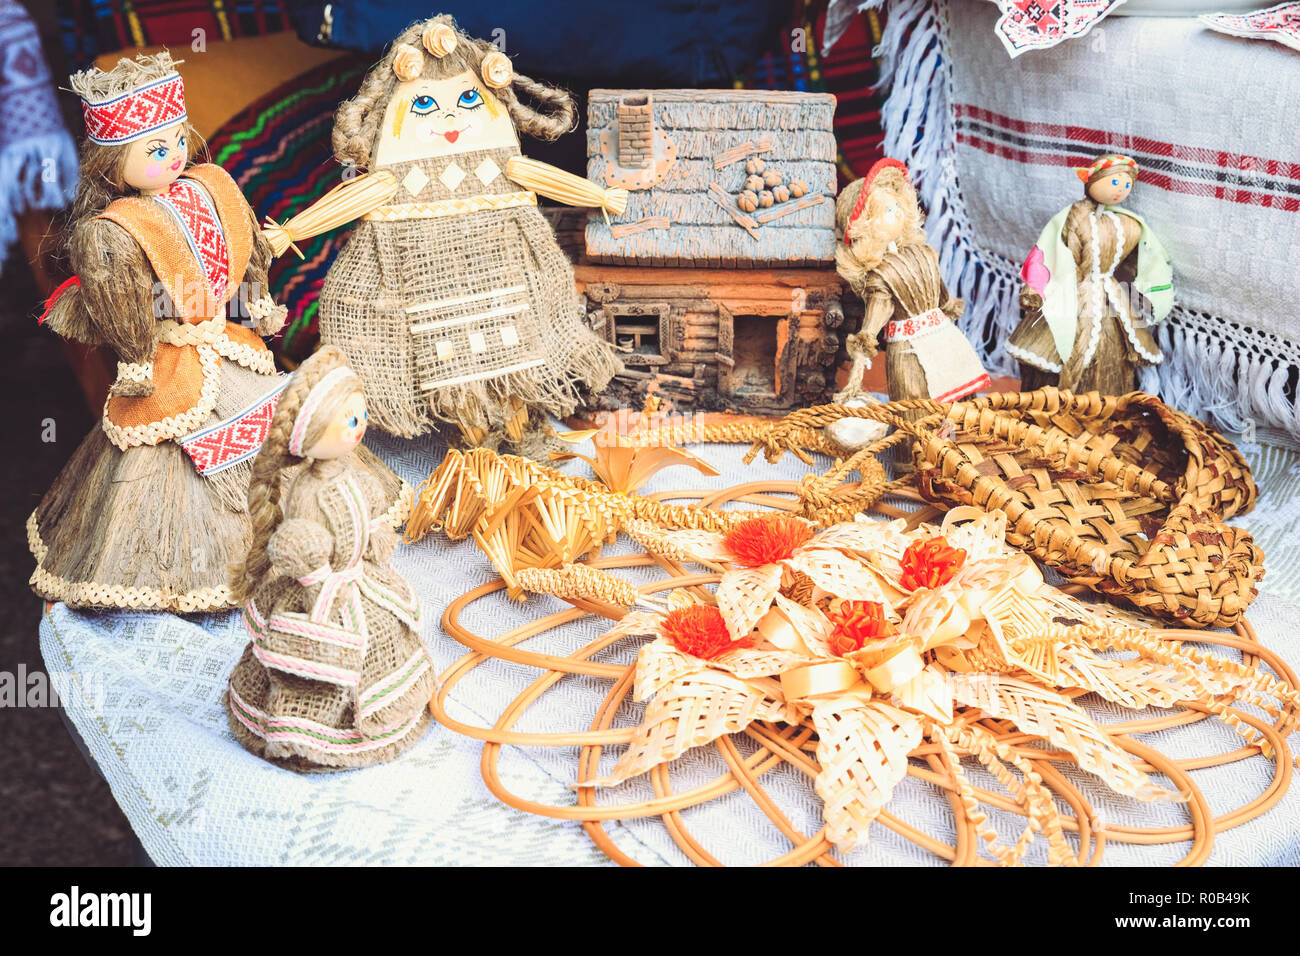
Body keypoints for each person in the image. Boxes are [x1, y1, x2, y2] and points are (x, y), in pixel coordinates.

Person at [226, 347, 433, 770]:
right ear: (309, 436)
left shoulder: (353, 472)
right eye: (347, 422)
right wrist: (319, 579)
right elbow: (303, 542)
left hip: (361, 578)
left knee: (385, 633)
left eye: (360, 417)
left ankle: (388, 711)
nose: (358, 429)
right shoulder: (306, 490)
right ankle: (316, 735)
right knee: (323, 659)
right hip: (320, 590)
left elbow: (369, 510)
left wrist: (373, 536)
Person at [1008, 154, 1173, 394]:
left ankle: (1103, 403)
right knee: (1057, 349)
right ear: (1091, 180)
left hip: (1109, 294)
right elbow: (1045, 253)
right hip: (1071, 292)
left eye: (1127, 185)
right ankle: (1050, 402)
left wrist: (1150, 289)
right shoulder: (1070, 219)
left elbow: (1147, 261)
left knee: (1109, 354)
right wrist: (1035, 288)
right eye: (1115, 182)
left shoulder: (1129, 225)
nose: (1121, 190)